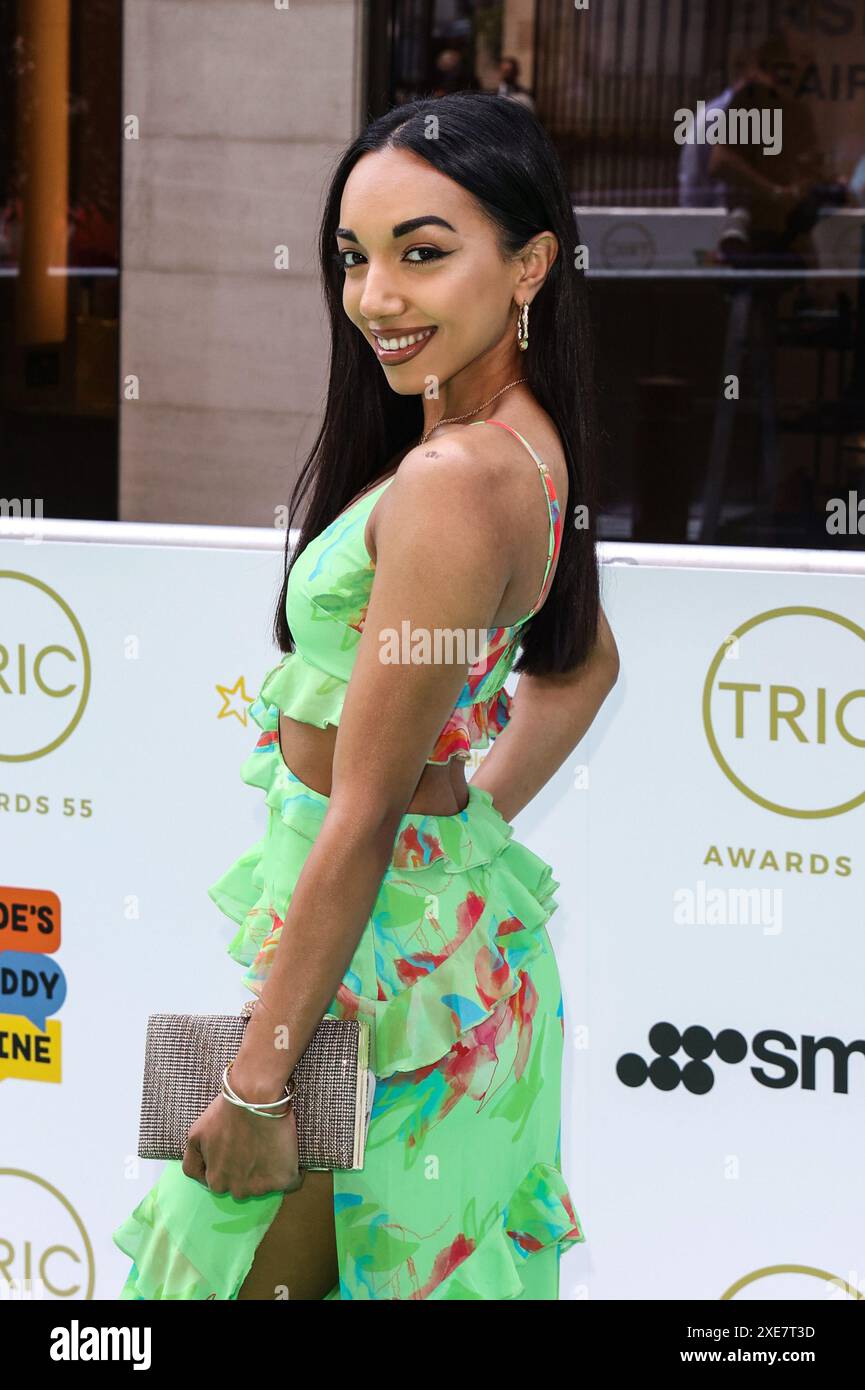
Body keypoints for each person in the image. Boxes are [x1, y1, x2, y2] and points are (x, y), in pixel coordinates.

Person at [112, 91, 620, 1301]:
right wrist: (461, 835)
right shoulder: (514, 442)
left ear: (530, 264)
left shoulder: (457, 472)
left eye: (423, 254)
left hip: (390, 997)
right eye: (353, 257)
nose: (376, 296)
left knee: (200, 1280)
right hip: (418, 969)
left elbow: (364, 808)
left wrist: (252, 1087)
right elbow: (581, 661)